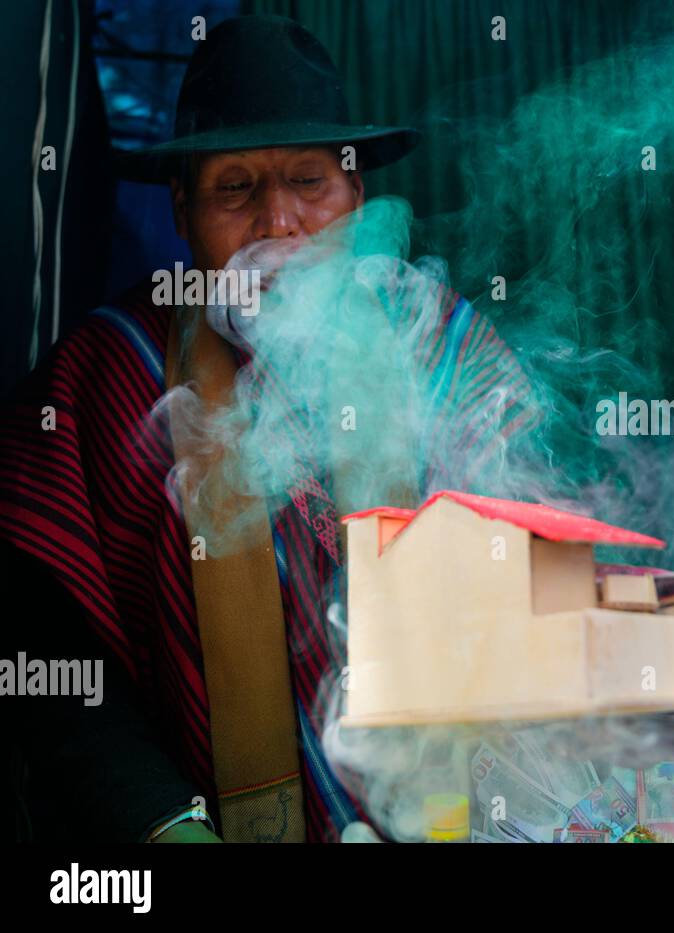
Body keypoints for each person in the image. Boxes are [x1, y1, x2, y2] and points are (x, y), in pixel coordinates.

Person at [0, 15, 533, 842]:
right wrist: (168, 826)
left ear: (356, 196)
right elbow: (56, 672)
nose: (278, 222)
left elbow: (532, 578)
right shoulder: (106, 376)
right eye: (236, 187)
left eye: (309, 183)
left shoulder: (438, 342)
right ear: (181, 210)